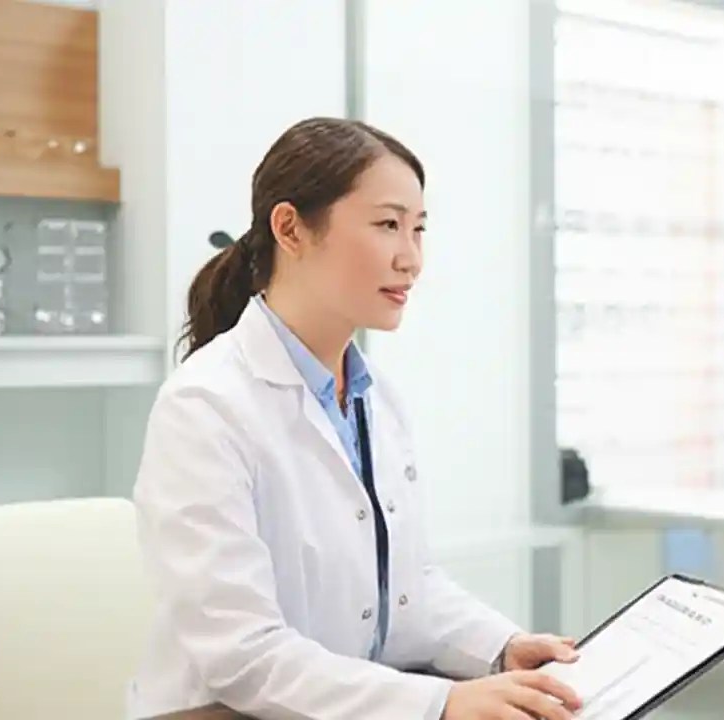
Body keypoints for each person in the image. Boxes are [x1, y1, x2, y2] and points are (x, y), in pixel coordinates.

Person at [130, 117, 582, 720]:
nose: (411, 259)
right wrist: (442, 702)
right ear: (290, 228)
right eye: (388, 225)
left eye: (418, 230)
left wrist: (501, 648)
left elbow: (405, 587)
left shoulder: (376, 397)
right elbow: (242, 655)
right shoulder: (205, 406)